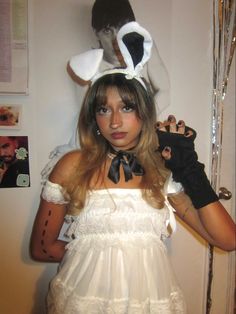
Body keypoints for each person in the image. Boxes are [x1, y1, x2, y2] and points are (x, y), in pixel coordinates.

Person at [30, 23, 235, 314]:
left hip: (150, 301)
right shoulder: (72, 165)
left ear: (144, 112)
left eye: (126, 108)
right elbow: (41, 247)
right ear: (93, 117)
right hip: (85, 300)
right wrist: (98, 254)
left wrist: (189, 168)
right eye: (103, 109)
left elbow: (226, 240)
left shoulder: (161, 169)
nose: (114, 121)